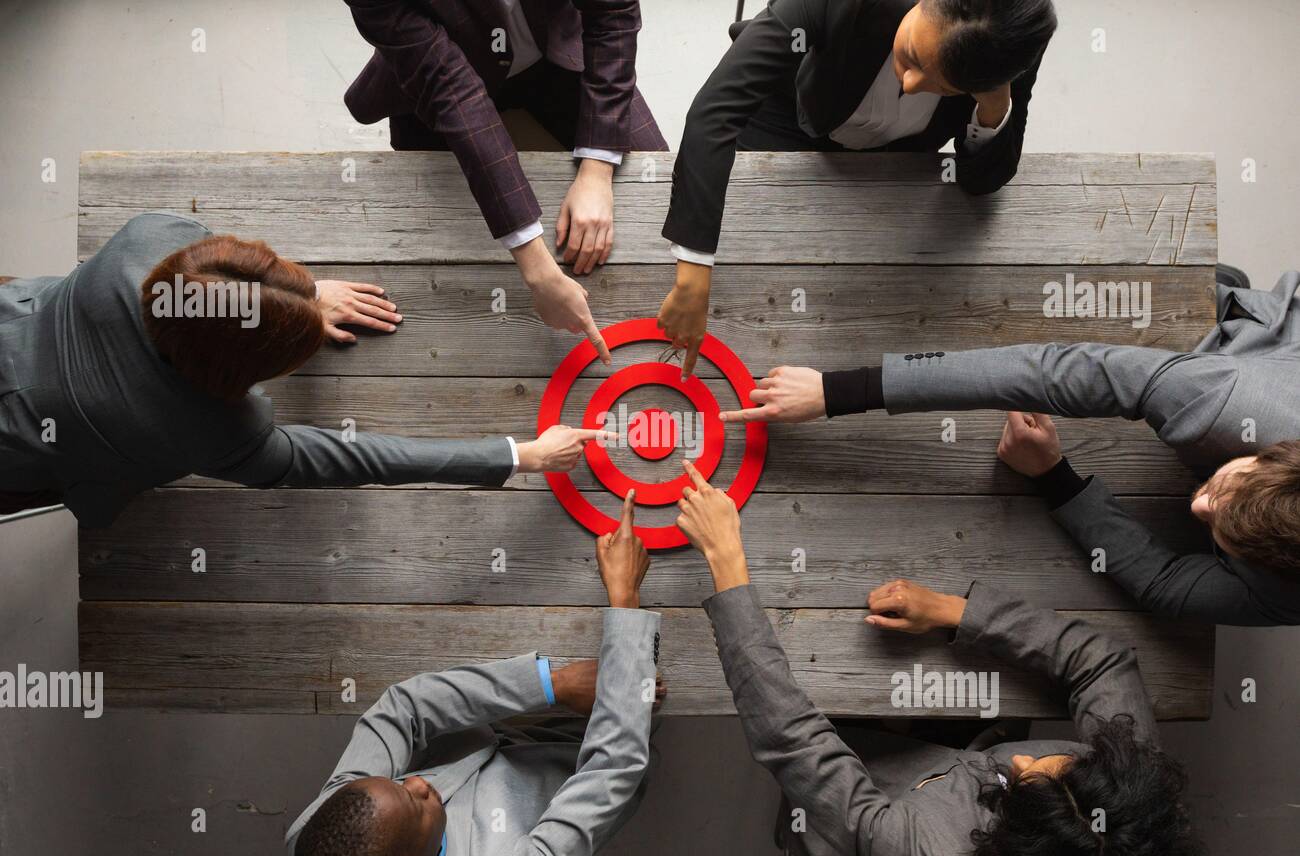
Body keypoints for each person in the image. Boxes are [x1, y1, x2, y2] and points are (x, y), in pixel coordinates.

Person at [672, 459, 1199, 856]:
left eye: (1023, 786)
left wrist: (725, 560)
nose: (1018, 762)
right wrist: (956, 613)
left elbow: (793, 744)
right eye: (1062, 763)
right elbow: (1102, 662)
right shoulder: (1127, 790)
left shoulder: (921, 853)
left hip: (860, 800)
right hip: (959, 737)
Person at [718, 272, 1300, 625]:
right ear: (1273, 453)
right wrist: (837, 391)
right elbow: (1047, 371)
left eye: (1221, 530)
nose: (1197, 509)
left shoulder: (1290, 590)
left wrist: (1055, 477)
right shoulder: (1226, 401)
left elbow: (1169, 586)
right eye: (1224, 492)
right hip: (1266, 362)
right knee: (1210, 295)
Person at [0, 212, 609, 525]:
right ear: (247, 372)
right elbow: (352, 459)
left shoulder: (149, 238)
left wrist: (297, 297)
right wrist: (518, 455)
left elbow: (214, 276)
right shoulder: (214, 435)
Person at [656, 0, 1058, 377]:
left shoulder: (1008, 46)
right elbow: (716, 111)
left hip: (885, 172)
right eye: (915, 57)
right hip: (784, 118)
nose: (914, 84)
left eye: (945, 87)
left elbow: (982, 179)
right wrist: (692, 274)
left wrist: (993, 100)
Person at [287, 490, 663, 856]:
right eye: (415, 804)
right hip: (576, 763)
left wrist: (553, 684)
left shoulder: (319, 837)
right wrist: (625, 599)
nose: (417, 782)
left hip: (496, 730)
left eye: (398, 782)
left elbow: (404, 709)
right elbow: (611, 765)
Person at [343, 0, 670, 363]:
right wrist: (539, 273)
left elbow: (613, 17)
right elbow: (453, 91)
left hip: (558, 57)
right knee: (430, 247)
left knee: (659, 195)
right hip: (439, 77)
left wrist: (596, 171)